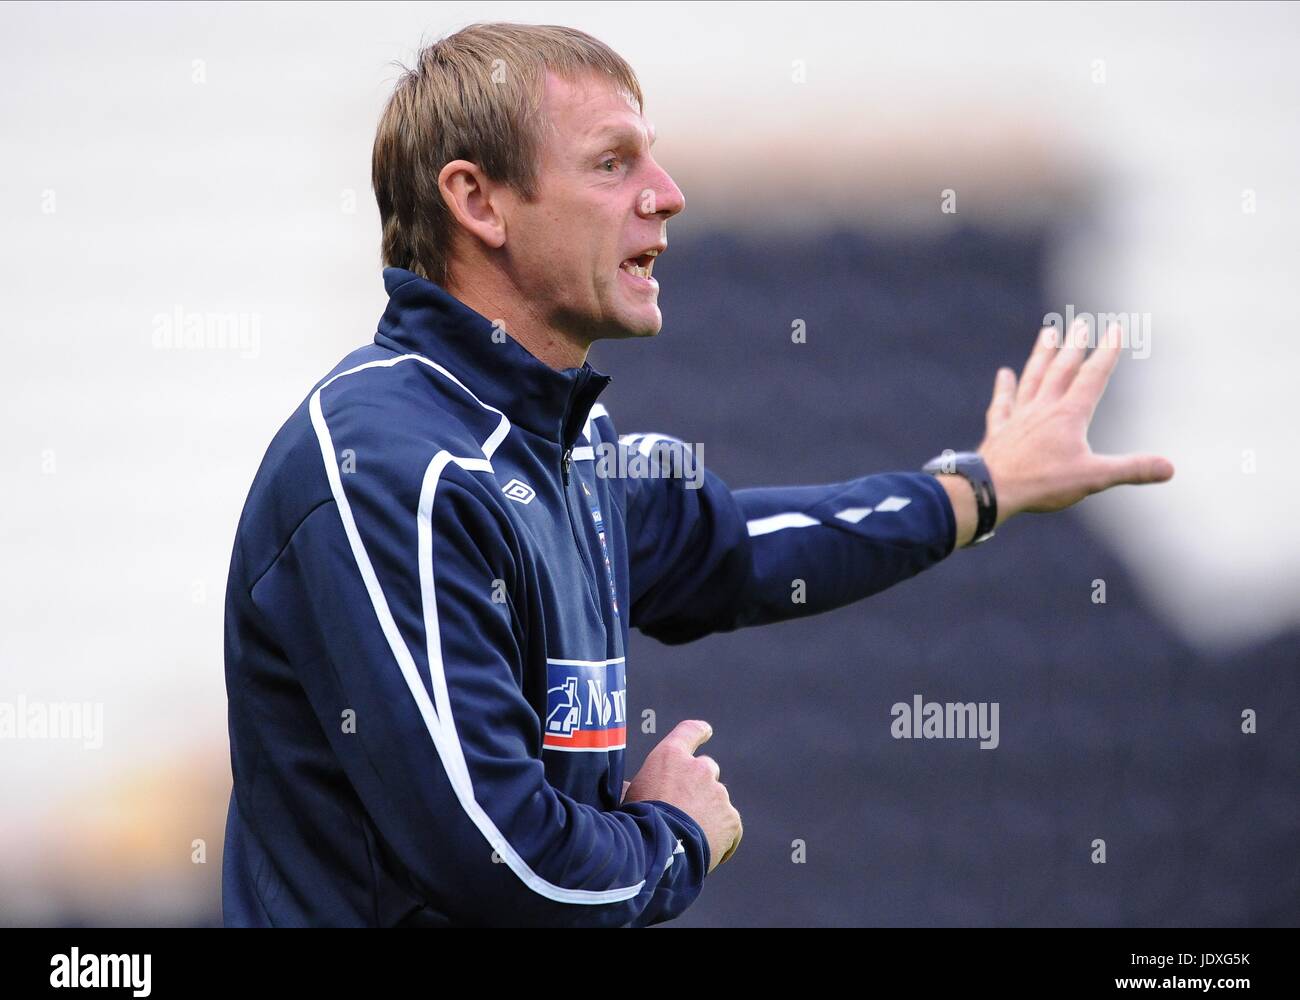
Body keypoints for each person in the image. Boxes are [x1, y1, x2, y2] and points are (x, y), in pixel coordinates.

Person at [220, 22, 1173, 927]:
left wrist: (984, 483)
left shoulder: (561, 445)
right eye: (612, 161)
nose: (667, 192)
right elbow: (504, 863)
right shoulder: (390, 466)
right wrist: (674, 835)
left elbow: (741, 551)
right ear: (478, 202)